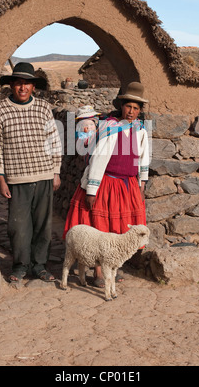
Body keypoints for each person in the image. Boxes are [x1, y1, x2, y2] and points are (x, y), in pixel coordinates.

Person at [63, 82, 150, 287]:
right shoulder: (110, 127)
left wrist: (142, 182)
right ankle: (98, 272)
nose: (131, 111)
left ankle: (111, 267)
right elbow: (99, 159)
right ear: (122, 106)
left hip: (127, 185)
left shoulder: (140, 130)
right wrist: (91, 190)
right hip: (106, 184)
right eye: (128, 106)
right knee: (99, 227)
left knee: (118, 228)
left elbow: (144, 157)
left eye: (136, 108)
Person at [0, 62, 62, 283]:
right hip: (16, 178)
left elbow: (54, 141)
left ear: (33, 87)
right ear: (11, 86)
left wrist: (56, 171)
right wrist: (1, 180)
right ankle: (20, 265)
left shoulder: (43, 107)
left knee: (43, 225)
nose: (23, 88)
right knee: (18, 226)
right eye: (18, 83)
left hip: (43, 175)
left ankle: (40, 265)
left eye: (27, 84)